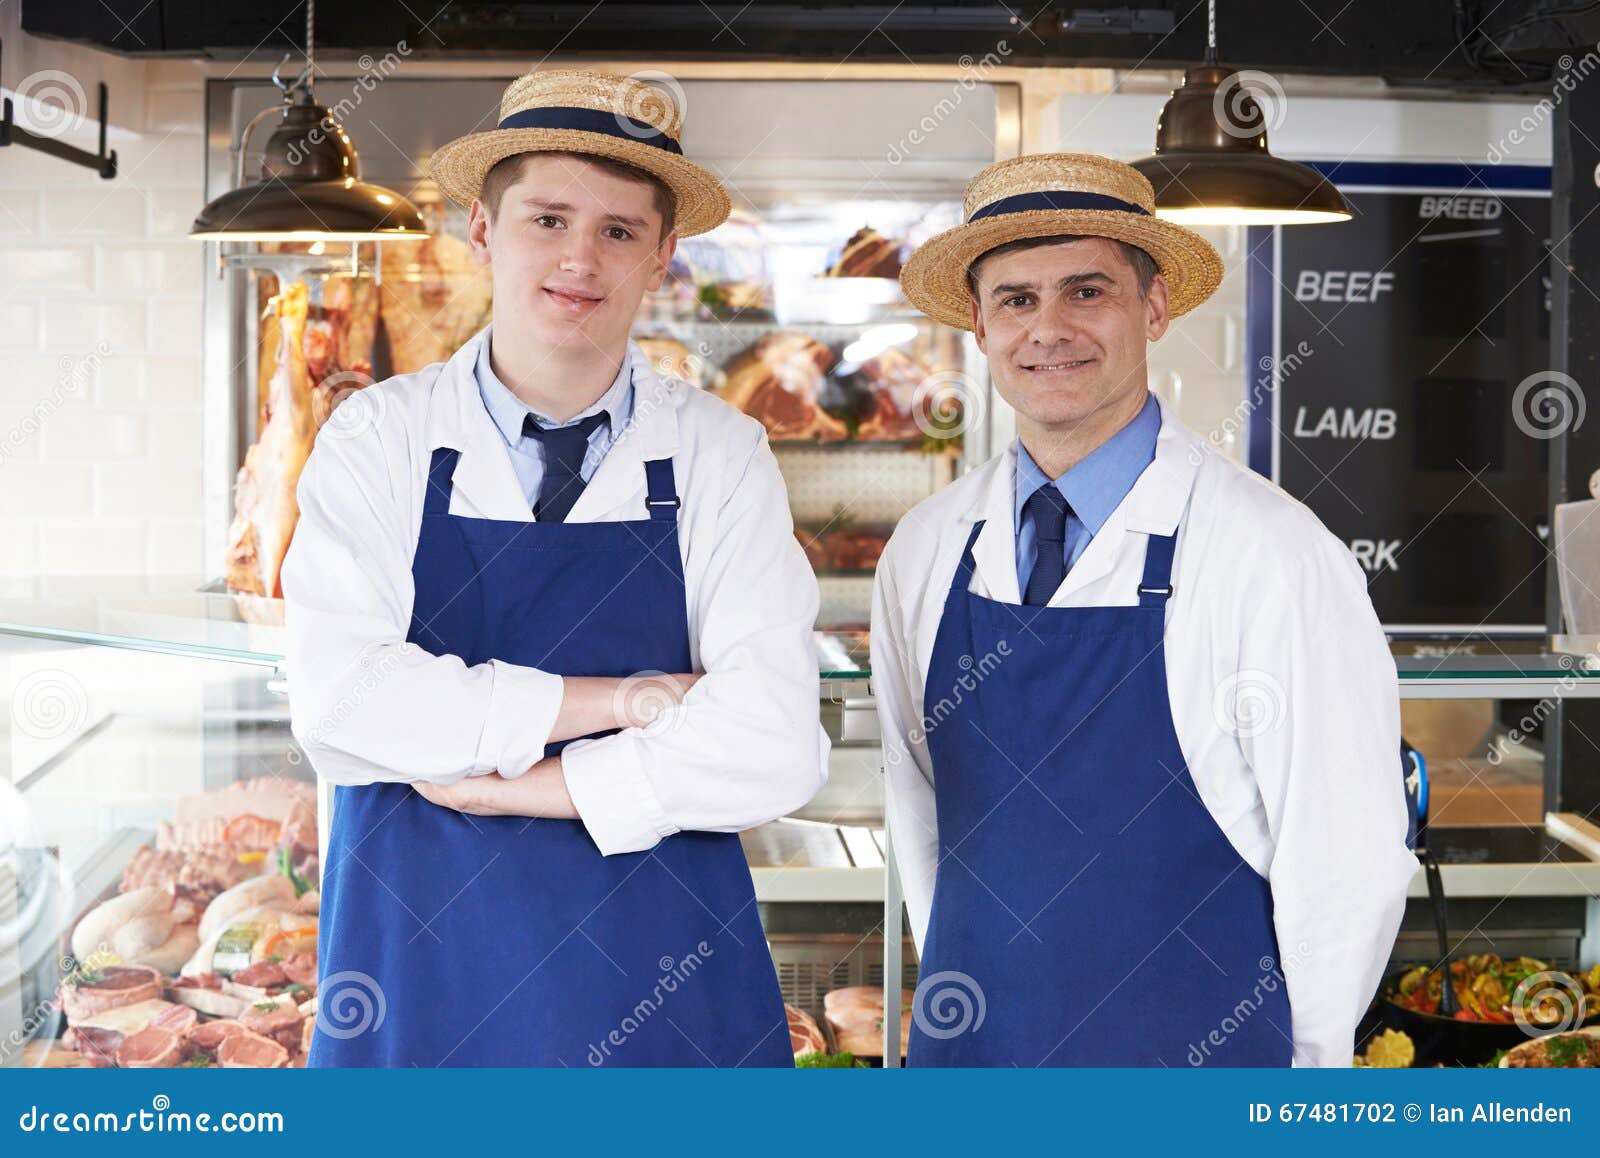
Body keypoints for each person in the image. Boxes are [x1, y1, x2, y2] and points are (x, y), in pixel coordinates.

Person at [284, 70, 826, 1067]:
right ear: (482, 231)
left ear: (663, 256)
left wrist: (520, 785)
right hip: (420, 978)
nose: (581, 258)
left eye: (620, 231)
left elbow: (780, 746)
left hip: (667, 992)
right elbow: (344, 705)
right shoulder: (378, 439)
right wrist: (634, 699)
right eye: (547, 218)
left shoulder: (718, 453)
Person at [873, 153, 1414, 1067]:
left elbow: (1347, 862)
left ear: (1154, 307)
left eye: (1087, 291)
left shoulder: (1271, 551)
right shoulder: (925, 550)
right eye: (1015, 299)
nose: (1049, 329)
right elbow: (920, 822)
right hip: (975, 1063)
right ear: (977, 322)